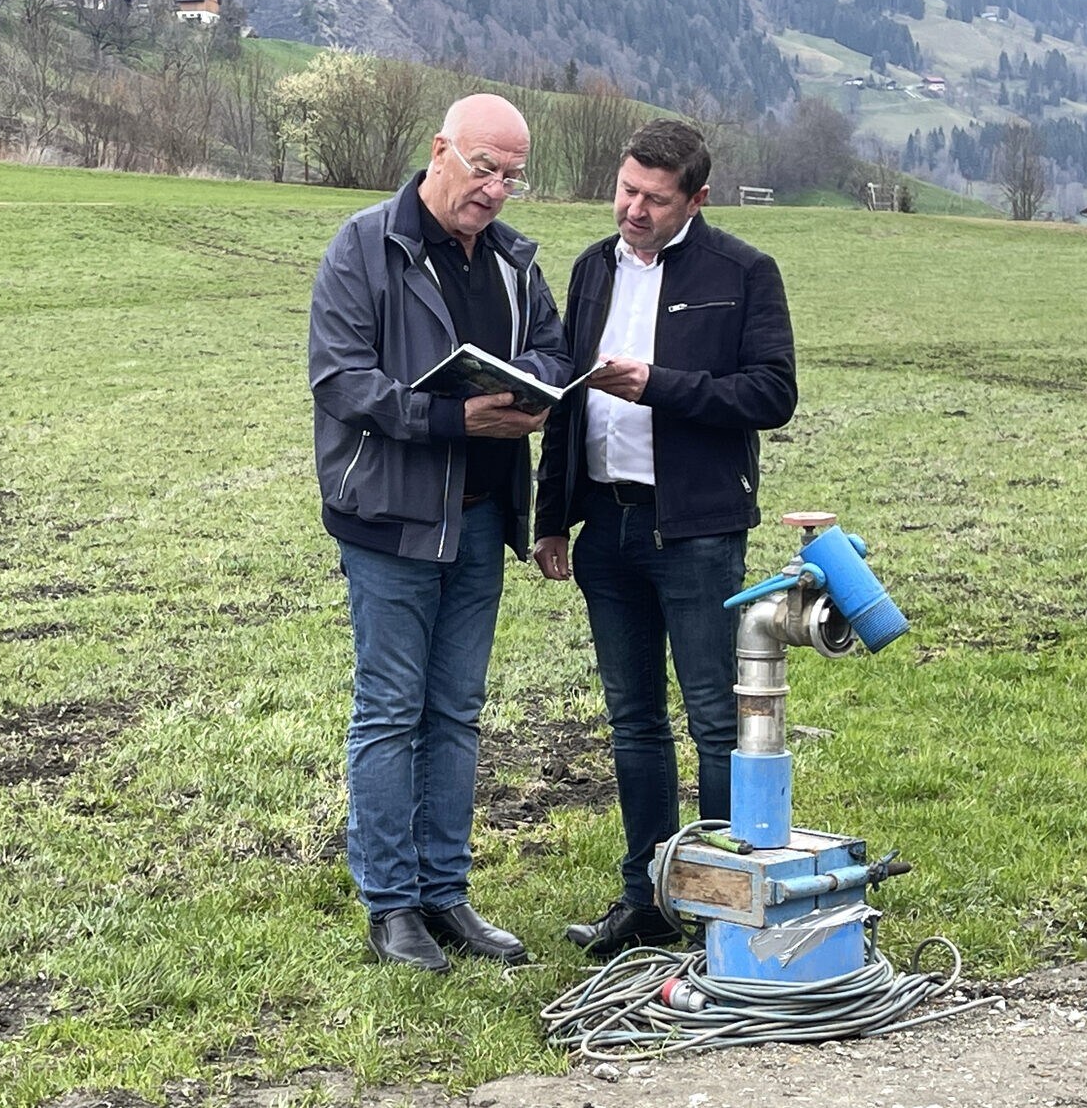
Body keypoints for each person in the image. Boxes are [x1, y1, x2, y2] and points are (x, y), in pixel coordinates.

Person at [308, 94, 575, 973]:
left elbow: (550, 346)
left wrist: (530, 384)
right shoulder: (364, 247)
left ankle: (445, 893)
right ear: (438, 152)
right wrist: (455, 418)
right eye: (482, 168)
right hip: (388, 520)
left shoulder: (510, 260)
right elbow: (342, 380)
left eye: (511, 175)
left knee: (456, 712)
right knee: (390, 712)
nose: (495, 189)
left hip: (481, 523)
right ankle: (391, 908)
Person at [534, 119, 798, 958]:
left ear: (696, 199)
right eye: (624, 189)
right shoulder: (589, 268)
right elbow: (567, 401)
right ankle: (645, 897)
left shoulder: (743, 273)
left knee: (715, 717)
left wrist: (659, 386)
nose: (632, 209)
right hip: (605, 526)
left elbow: (771, 393)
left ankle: (724, 900)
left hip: (695, 528)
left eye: (653, 197)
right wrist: (550, 515)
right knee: (632, 720)